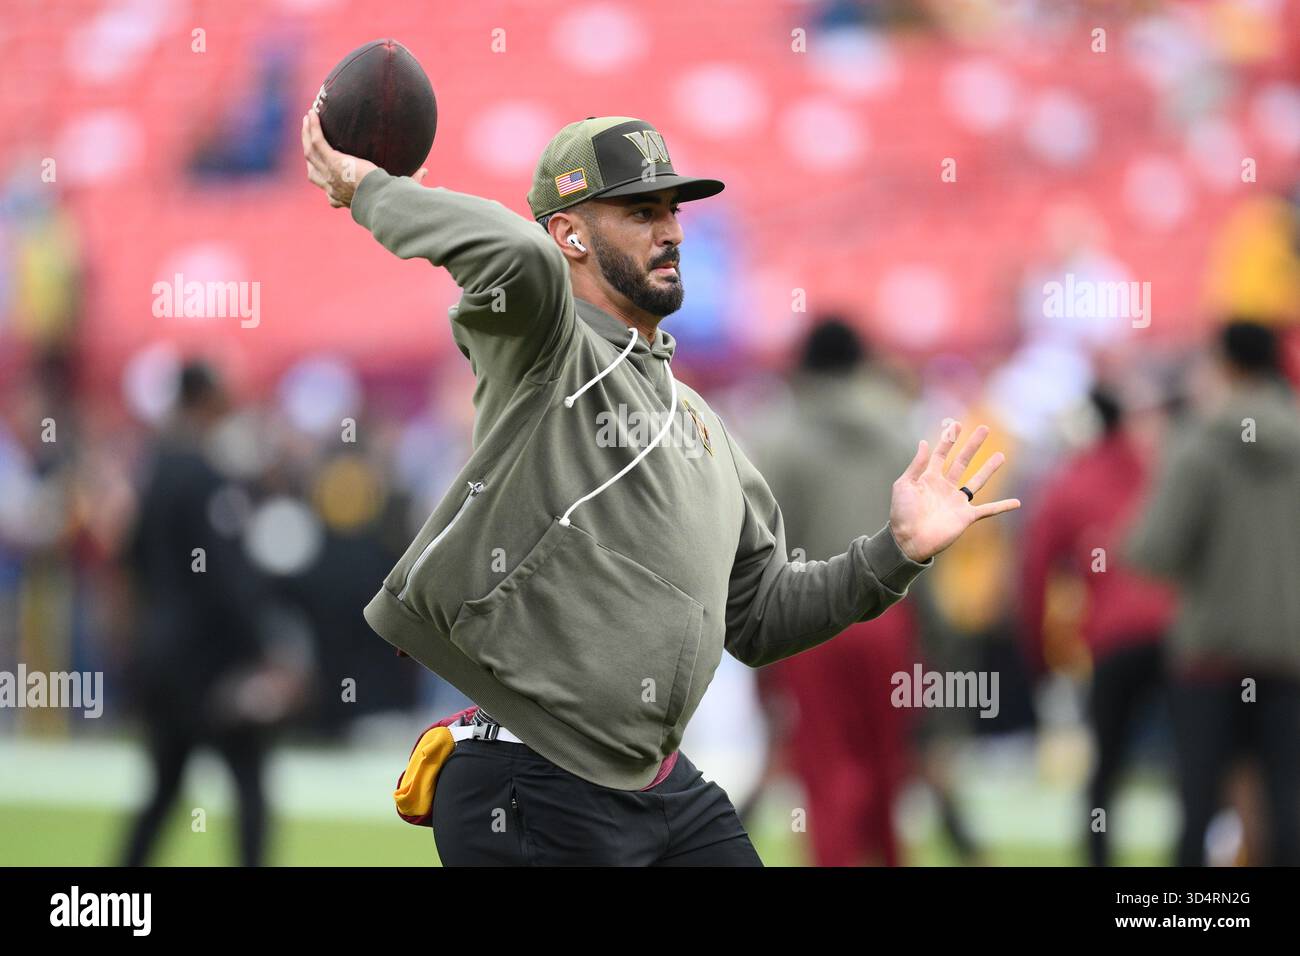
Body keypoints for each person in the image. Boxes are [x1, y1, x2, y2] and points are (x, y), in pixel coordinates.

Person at [302, 110, 1021, 866]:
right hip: (532, 777)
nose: (672, 230)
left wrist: (894, 552)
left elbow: (763, 614)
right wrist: (370, 188)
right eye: (641, 211)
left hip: (655, 782)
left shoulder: (701, 422)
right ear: (572, 234)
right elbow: (514, 251)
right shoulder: (548, 345)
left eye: (674, 210)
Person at [1127, 320, 1300, 866]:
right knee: (1288, 801)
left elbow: (1153, 549)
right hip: (1290, 653)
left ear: (1225, 364)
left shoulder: (1201, 443)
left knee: (1199, 802)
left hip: (1212, 653)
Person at [754, 317, 922, 866]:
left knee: (826, 775)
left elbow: (762, 552)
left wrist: (762, 654)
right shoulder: (901, 434)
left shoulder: (780, 440)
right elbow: (925, 549)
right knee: (887, 772)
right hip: (891, 624)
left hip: (814, 622)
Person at [119, 362, 270, 867]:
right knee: (248, 783)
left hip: (162, 654)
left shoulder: (155, 470)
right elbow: (225, 577)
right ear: (206, 398)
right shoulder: (204, 476)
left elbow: (134, 558)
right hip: (209, 661)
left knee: (163, 789)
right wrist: (262, 649)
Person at [1020, 384, 1176, 866]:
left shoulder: (1069, 484)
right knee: (1197, 765)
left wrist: (1039, 660)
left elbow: (1033, 576)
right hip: (1178, 634)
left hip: (1112, 640)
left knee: (1105, 767)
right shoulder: (1160, 468)